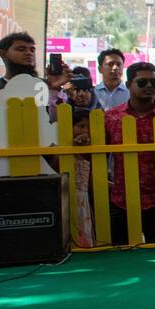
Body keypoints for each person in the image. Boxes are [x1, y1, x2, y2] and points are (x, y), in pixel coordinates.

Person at [103, 62, 155, 245]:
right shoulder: (111, 118)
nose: (149, 86)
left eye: (153, 83)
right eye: (142, 82)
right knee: (121, 251)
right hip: (122, 198)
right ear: (128, 85)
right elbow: (99, 157)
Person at [69, 106, 97, 248]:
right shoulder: (59, 148)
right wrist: (73, 148)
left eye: (90, 127)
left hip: (84, 200)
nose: (86, 131)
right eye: (81, 126)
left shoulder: (94, 151)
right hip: (67, 200)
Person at [0, 31, 38, 104]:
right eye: (21, 49)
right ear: (3, 54)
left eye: (32, 50)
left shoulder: (44, 86)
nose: (29, 53)